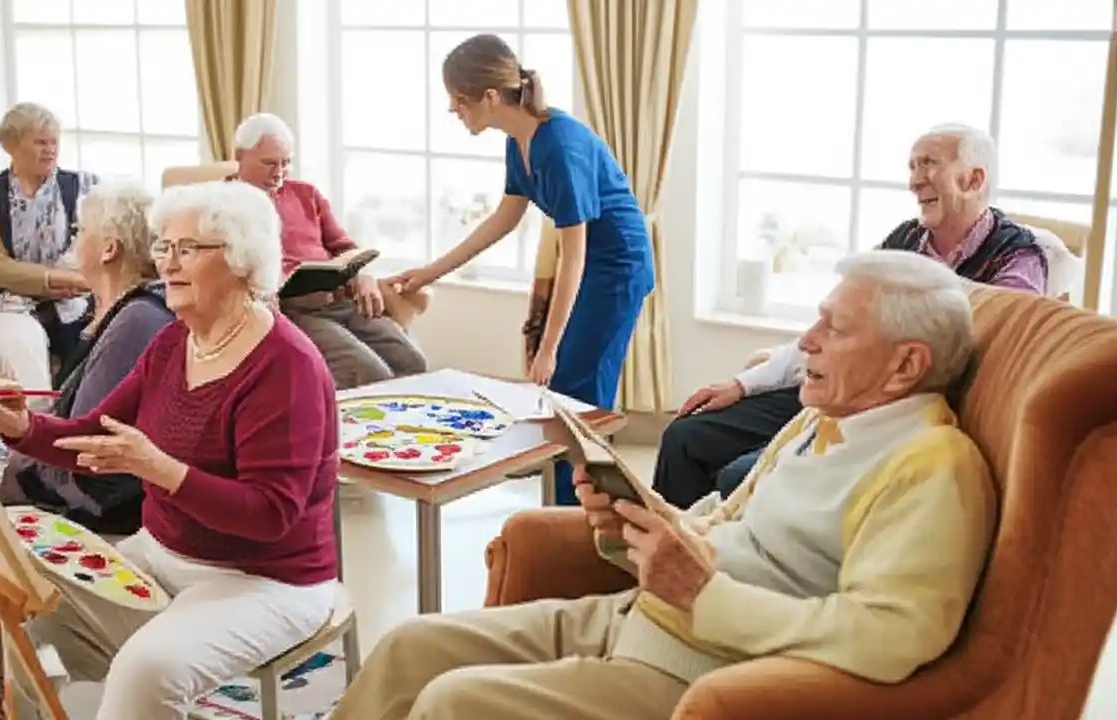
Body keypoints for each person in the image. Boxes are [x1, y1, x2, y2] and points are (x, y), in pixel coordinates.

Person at [331, 250, 996, 719]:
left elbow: (888, 639)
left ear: (907, 364)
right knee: (407, 648)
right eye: (815, 320)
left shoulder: (932, 469)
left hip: (702, 668)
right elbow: (721, 523)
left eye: (836, 328)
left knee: (455, 705)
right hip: (635, 616)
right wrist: (634, 525)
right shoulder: (817, 421)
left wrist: (705, 596)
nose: (808, 343)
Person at [0, 180, 341, 719]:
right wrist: (24, 427)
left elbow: (272, 515)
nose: (167, 263)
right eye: (164, 247)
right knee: (21, 632)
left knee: (145, 673)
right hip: (163, 553)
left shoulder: (286, 366)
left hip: (266, 580)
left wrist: (162, 470)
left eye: (187, 249)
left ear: (241, 260)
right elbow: (97, 435)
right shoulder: (174, 342)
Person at [654, 122, 1048, 509]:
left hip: (891, 412)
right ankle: (657, 555)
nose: (914, 181)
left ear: (973, 179)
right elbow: (834, 326)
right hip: (840, 388)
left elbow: (977, 348)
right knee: (685, 437)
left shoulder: (1017, 258)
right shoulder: (904, 241)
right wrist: (742, 384)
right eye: (911, 167)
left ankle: (711, 559)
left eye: (928, 164)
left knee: (739, 476)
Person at [387, 34, 656, 505]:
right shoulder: (520, 141)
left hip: (616, 268)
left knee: (579, 394)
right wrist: (428, 273)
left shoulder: (560, 147)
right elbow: (503, 219)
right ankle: (560, 509)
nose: (455, 113)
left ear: (490, 97)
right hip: (591, 264)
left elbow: (574, 252)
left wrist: (547, 348)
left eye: (459, 103)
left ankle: (582, 518)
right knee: (563, 393)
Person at [0, 181, 174, 536]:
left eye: (81, 230)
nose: (75, 240)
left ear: (109, 249)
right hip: (108, 492)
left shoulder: (137, 320)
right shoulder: (126, 310)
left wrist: (22, 446)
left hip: (104, 510)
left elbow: (84, 448)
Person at [230, 112, 427, 389]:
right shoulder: (221, 205)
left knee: (411, 360)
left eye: (286, 163)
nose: (279, 172)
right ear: (240, 156)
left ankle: (412, 428)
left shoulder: (305, 194)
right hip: (293, 310)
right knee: (368, 370)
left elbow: (344, 245)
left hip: (340, 299)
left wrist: (363, 273)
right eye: (269, 163)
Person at [0, 101, 99, 394]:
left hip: (80, 302)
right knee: (15, 346)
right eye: (40, 142)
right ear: (11, 145)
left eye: (53, 142)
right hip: (12, 303)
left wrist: (76, 280)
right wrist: (52, 280)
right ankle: (34, 429)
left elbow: (101, 243)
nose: (50, 149)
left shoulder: (86, 187)